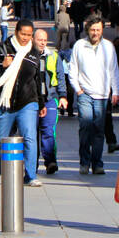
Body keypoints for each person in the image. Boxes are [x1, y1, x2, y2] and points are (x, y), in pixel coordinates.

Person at [0, 19, 47, 186]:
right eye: (23, 34)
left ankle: (31, 175)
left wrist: (41, 103)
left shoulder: (33, 52)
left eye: (29, 35)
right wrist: (0, 65)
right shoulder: (1, 48)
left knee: (30, 137)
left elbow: (38, 79)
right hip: (4, 103)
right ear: (16, 32)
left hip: (28, 101)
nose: (26, 38)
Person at [68, 14, 119, 176]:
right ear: (87, 30)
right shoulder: (79, 46)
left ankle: (97, 163)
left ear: (102, 30)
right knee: (85, 125)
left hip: (103, 94)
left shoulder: (108, 47)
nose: (95, 33)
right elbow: (73, 69)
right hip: (84, 93)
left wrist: (116, 90)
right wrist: (77, 89)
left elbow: (113, 70)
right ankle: (84, 161)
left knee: (98, 129)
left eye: (98, 30)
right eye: (92, 30)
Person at [33, 28, 69, 174]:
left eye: (44, 40)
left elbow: (61, 77)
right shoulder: (27, 56)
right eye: (39, 40)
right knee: (31, 134)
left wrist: (63, 96)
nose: (42, 43)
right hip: (31, 101)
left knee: (48, 131)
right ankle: (32, 163)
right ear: (33, 40)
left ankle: (50, 161)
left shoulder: (53, 56)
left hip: (50, 99)